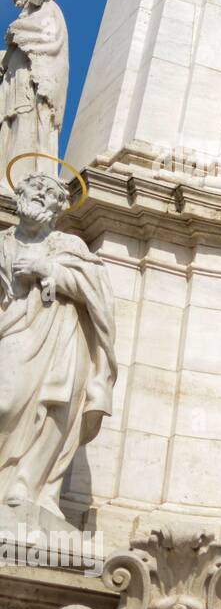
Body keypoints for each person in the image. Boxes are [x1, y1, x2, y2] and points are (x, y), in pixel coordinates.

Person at [0, 172, 116, 527]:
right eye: (34, 188)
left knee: (44, 406)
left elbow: (96, 291)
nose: (39, 195)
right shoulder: (2, 242)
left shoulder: (67, 246)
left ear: (57, 208)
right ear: (19, 194)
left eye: (49, 192)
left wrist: (46, 269)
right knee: (4, 404)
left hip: (56, 337)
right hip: (11, 329)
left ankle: (24, 485)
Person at [1, 0, 67, 186]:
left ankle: (21, 179)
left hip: (33, 83)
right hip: (15, 83)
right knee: (10, 127)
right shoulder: (27, 16)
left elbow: (48, 38)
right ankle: (6, 176)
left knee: (26, 123)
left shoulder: (48, 10)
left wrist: (18, 31)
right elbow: (12, 56)